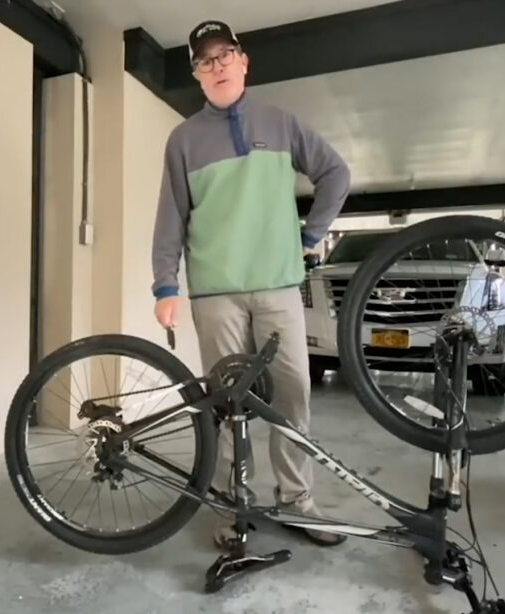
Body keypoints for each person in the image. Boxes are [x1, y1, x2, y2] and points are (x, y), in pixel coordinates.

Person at [150, 19, 351, 550]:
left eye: (224, 56)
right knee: (224, 405)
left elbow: (335, 173)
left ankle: (297, 503)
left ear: (243, 61)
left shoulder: (280, 122)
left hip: (280, 286)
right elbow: (171, 215)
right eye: (204, 61)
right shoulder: (184, 139)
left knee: (293, 396)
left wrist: (311, 234)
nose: (216, 67)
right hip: (215, 292)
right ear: (196, 74)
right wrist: (165, 285)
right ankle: (232, 506)